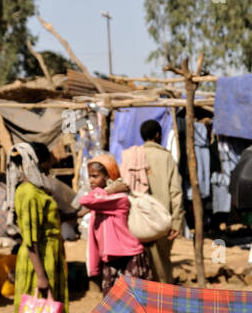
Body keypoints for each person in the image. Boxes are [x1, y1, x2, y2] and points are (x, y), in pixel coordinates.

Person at [10, 141, 70, 313]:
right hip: (39, 261)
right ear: (38, 161)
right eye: (48, 160)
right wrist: (42, 277)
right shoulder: (27, 193)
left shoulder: (38, 190)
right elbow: (30, 238)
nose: (51, 164)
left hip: (50, 257)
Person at [74, 153, 153, 294]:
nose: (91, 181)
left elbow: (86, 200)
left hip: (130, 256)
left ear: (108, 176)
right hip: (112, 257)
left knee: (133, 303)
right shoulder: (102, 201)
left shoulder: (119, 198)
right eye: (90, 176)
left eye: (95, 176)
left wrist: (108, 190)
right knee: (113, 304)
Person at [136, 118, 182, 284]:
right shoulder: (166, 157)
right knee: (162, 263)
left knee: (142, 263)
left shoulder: (134, 155)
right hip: (162, 219)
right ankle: (164, 300)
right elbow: (176, 192)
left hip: (138, 219)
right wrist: (177, 222)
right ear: (158, 135)